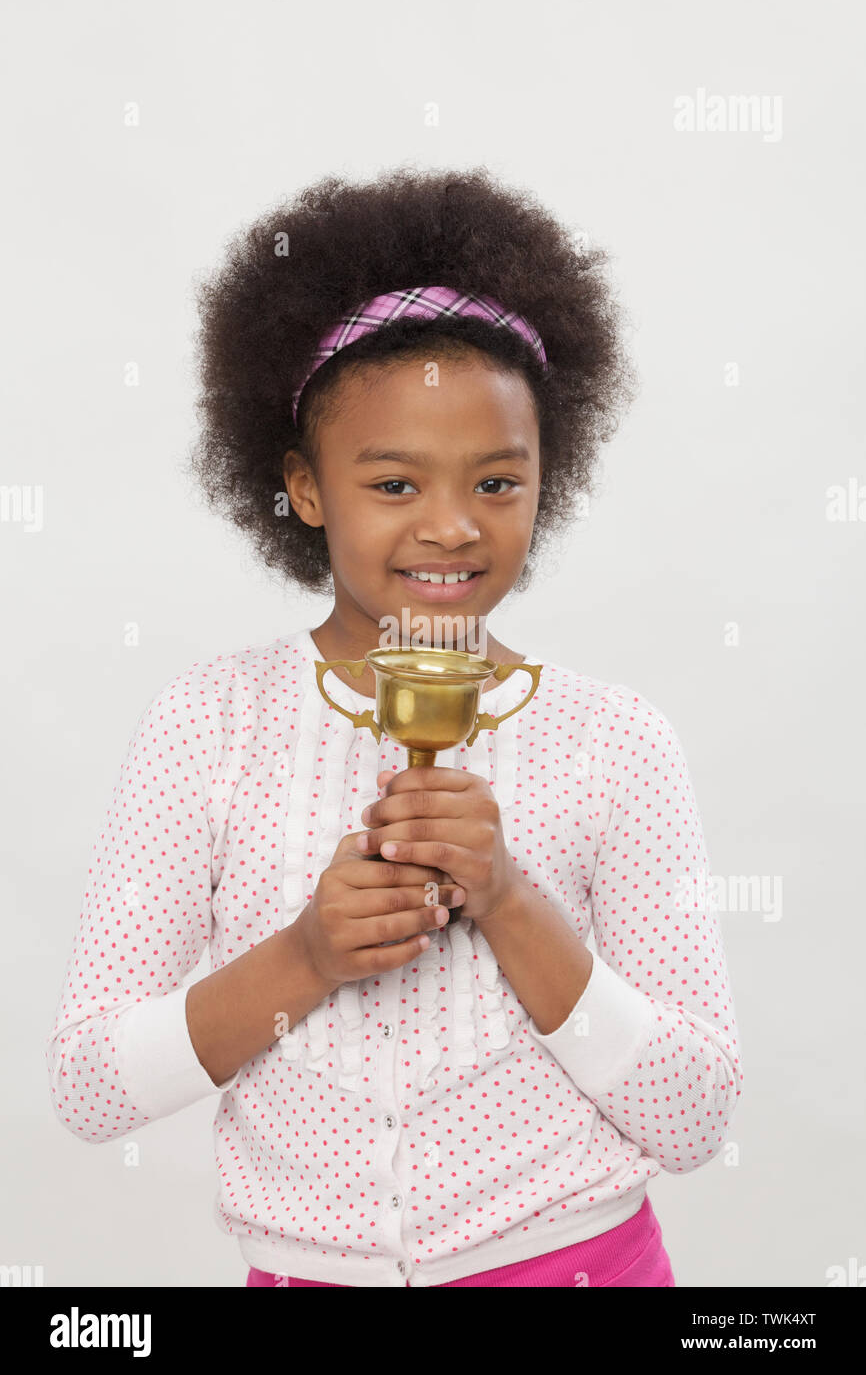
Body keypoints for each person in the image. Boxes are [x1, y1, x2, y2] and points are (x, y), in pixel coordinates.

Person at [45, 165, 743, 1288]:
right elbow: (89, 1085)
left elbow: (695, 1114)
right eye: (392, 484)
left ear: (541, 483)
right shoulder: (208, 723)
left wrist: (509, 900)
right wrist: (305, 956)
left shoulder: (614, 741)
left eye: (497, 483)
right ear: (305, 488)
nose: (451, 526)